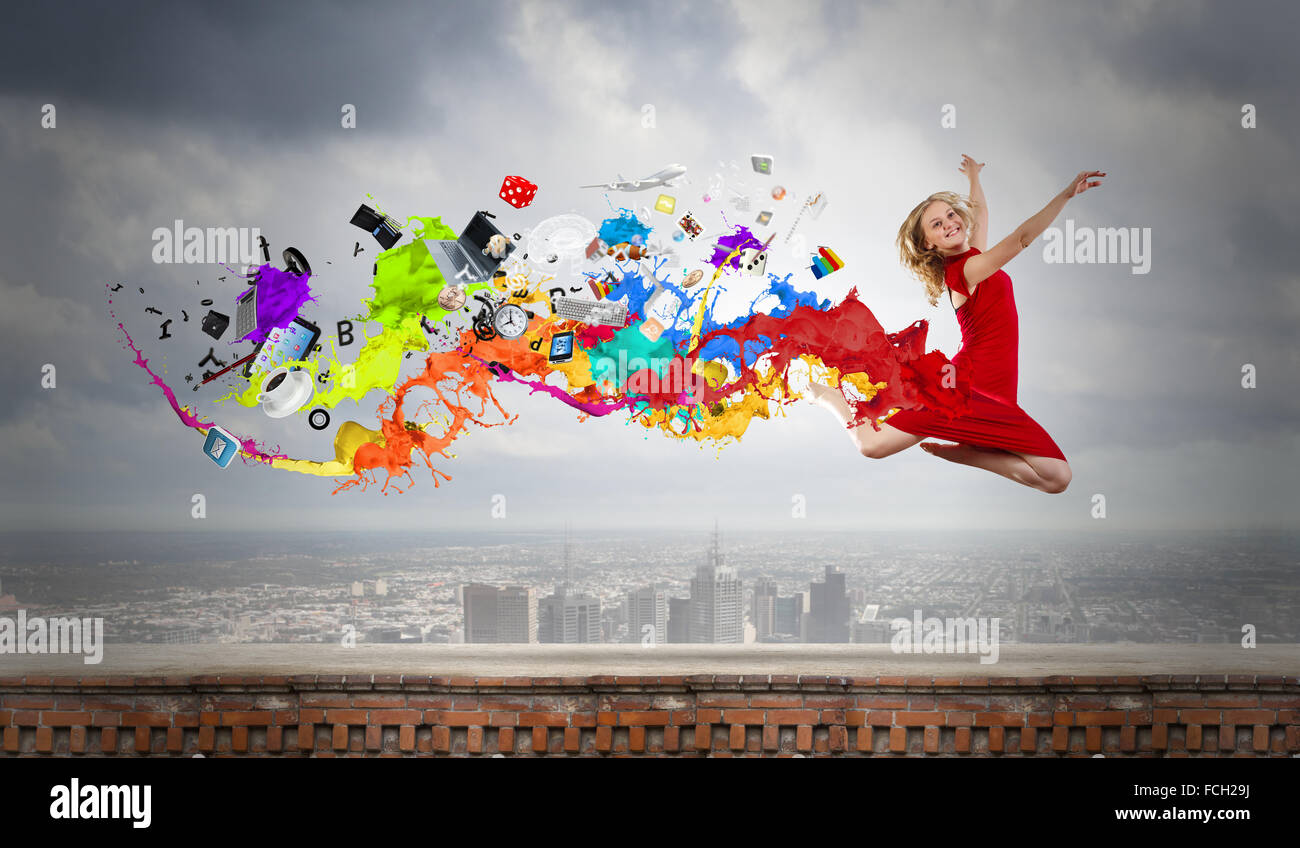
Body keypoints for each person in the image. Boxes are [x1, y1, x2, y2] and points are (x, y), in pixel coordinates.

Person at [806, 155, 1104, 493]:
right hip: (962, 388)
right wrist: (1066, 194)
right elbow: (1022, 239)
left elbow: (979, 213)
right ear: (929, 244)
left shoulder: (974, 258)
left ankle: (967, 453)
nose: (948, 223)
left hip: (997, 390)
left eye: (950, 214)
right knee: (871, 446)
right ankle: (831, 398)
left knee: (1056, 479)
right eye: (936, 224)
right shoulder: (963, 273)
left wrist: (974, 177)